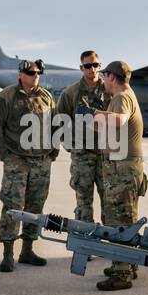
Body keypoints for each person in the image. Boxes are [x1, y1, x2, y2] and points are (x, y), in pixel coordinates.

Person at [0, 59, 58, 272]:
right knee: (13, 205)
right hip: (17, 161)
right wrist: (5, 156)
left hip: (41, 162)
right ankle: (7, 254)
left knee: (35, 206)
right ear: (21, 74)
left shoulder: (46, 96)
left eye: (38, 72)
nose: (35, 75)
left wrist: (53, 152)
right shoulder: (7, 96)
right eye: (30, 72)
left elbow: (55, 124)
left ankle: (27, 250)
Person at [93, 60, 145, 291]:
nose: (103, 80)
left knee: (119, 220)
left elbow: (119, 121)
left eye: (105, 76)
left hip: (121, 168)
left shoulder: (121, 96)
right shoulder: (127, 94)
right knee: (127, 217)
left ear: (112, 77)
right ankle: (127, 264)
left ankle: (121, 273)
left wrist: (93, 114)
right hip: (124, 166)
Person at [56, 49, 109, 223]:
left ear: (99, 66)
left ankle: (110, 245)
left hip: (106, 155)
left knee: (110, 202)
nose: (92, 69)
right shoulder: (70, 93)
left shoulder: (110, 90)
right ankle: (84, 244)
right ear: (81, 67)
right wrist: (71, 145)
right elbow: (60, 121)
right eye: (88, 66)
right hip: (82, 156)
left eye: (95, 65)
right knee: (83, 203)